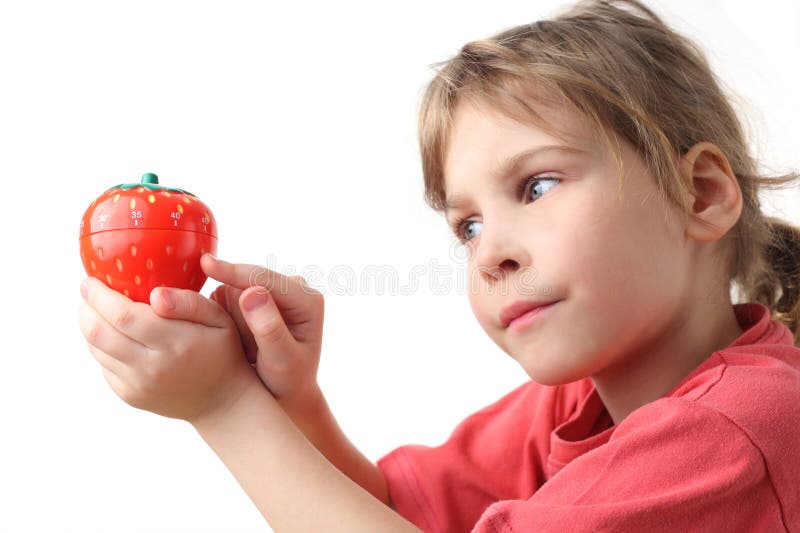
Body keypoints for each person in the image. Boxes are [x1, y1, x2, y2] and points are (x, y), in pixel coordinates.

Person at [77, 0, 800, 531]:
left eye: (536, 186)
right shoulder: (578, 397)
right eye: (468, 224)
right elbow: (393, 510)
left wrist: (226, 408)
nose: (489, 251)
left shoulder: (734, 429)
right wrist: (291, 402)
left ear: (700, 195)